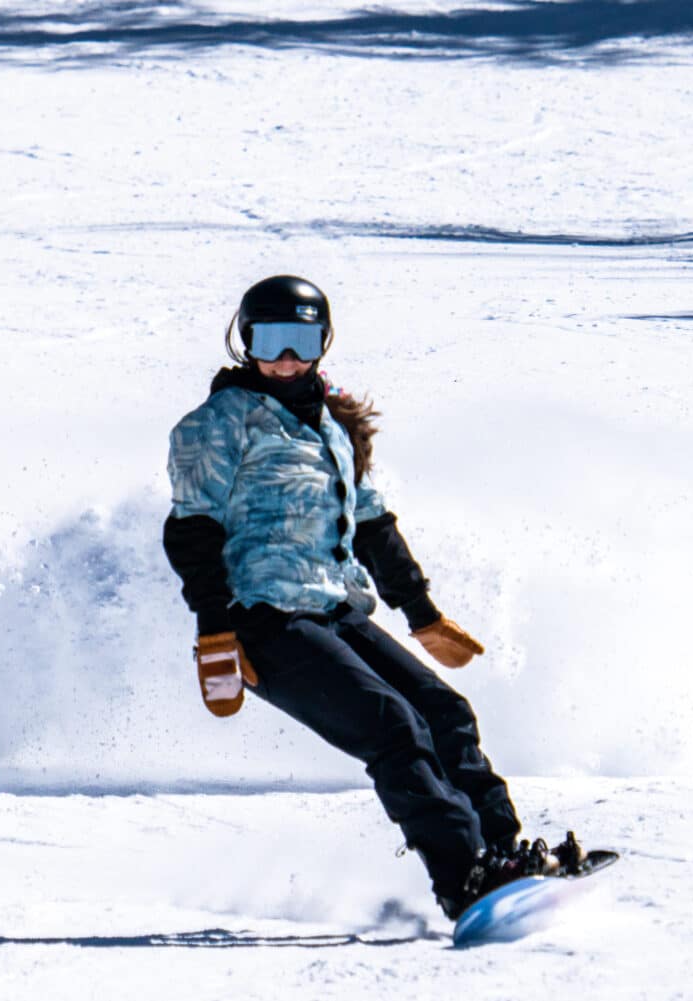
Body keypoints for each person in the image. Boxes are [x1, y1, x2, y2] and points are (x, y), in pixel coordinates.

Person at [163, 275, 584, 919]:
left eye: (300, 340)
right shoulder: (219, 424)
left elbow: (372, 524)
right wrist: (216, 632)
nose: (286, 358)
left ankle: (507, 855)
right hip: (263, 620)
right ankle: (464, 880)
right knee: (393, 729)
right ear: (245, 342)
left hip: (332, 608)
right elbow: (192, 531)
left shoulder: (331, 424)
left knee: (445, 712)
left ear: (322, 343)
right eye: (271, 340)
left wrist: (421, 612)